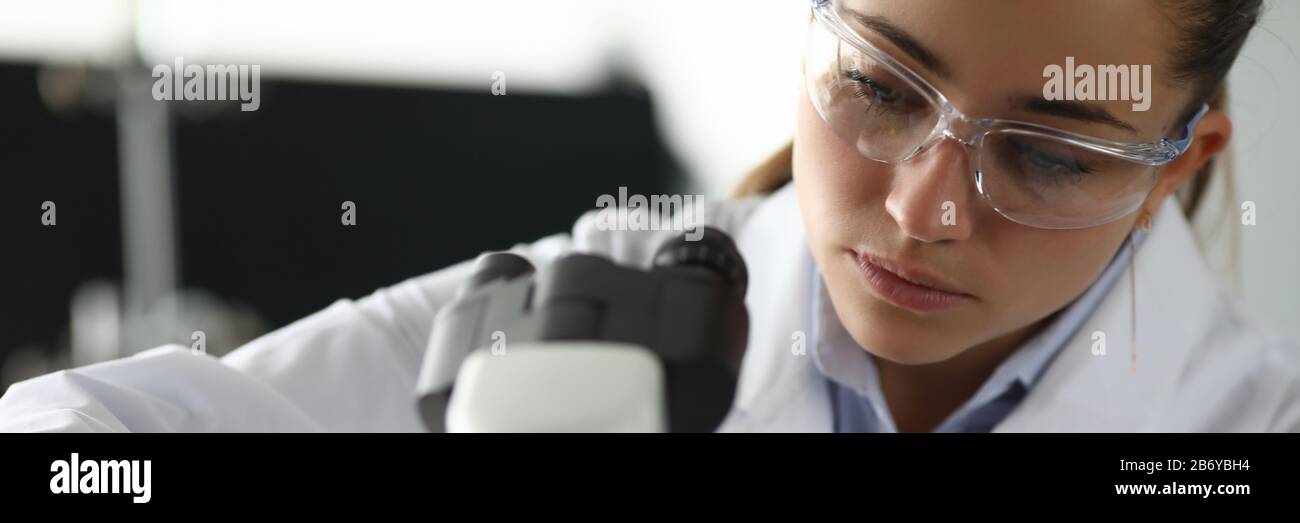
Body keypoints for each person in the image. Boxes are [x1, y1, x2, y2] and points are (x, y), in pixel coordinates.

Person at [3, 0, 1297, 432]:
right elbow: (78, 437)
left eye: (1053, 156)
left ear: (1178, 165)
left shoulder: (1243, 426)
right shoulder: (600, 301)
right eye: (878, 89)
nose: (925, 208)